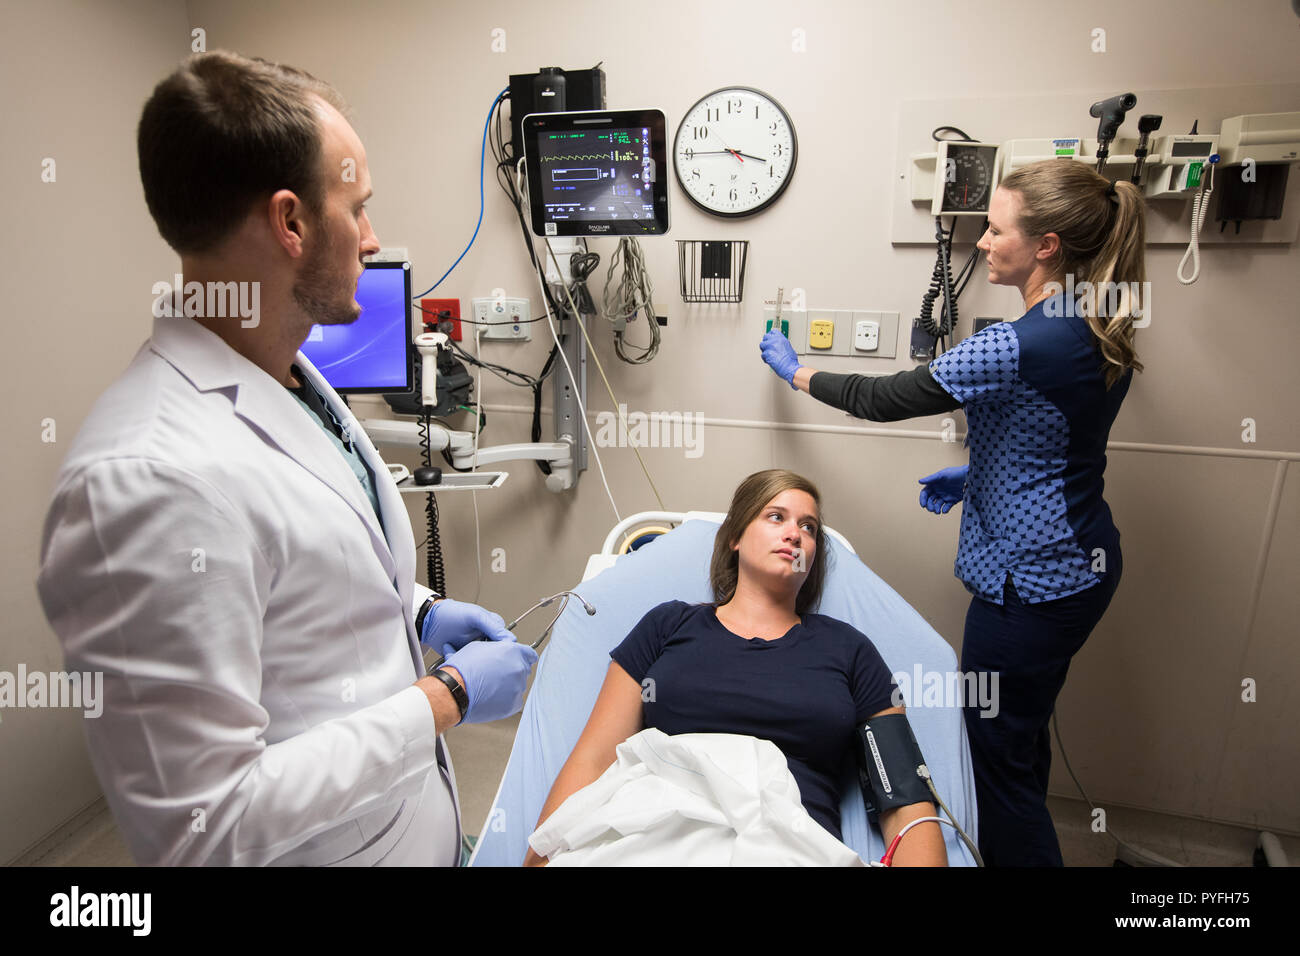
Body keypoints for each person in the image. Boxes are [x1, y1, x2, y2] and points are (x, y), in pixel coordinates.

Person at [35, 51, 536, 866]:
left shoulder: (285, 371)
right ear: (291, 223)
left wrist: (415, 612)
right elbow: (205, 828)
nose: (372, 239)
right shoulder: (147, 479)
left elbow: (301, 570)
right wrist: (444, 699)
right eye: (358, 209)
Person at [759, 159, 1144, 866]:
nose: (983, 242)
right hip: (1081, 566)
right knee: (1019, 740)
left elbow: (885, 398)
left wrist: (796, 371)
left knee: (997, 766)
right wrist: (980, 474)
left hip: (1031, 586)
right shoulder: (1098, 321)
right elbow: (1063, 437)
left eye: (996, 230)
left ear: (1046, 246)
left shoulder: (1017, 342)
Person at [523, 469, 948, 866]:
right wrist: (539, 858)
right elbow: (594, 758)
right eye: (776, 517)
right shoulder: (667, 626)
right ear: (735, 538)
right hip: (655, 833)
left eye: (808, 527)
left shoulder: (849, 650)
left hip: (788, 847)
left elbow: (905, 801)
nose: (794, 534)